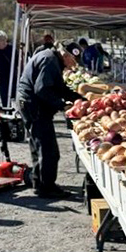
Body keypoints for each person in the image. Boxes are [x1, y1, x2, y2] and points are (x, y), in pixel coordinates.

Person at [17, 43, 83, 198]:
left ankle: (39, 182)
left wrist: (79, 99)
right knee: (49, 150)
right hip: (34, 106)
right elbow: (42, 89)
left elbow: (59, 88)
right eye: (73, 61)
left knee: (38, 145)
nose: (73, 65)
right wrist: (62, 105)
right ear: (66, 55)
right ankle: (46, 187)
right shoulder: (49, 61)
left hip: (30, 104)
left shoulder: (51, 58)